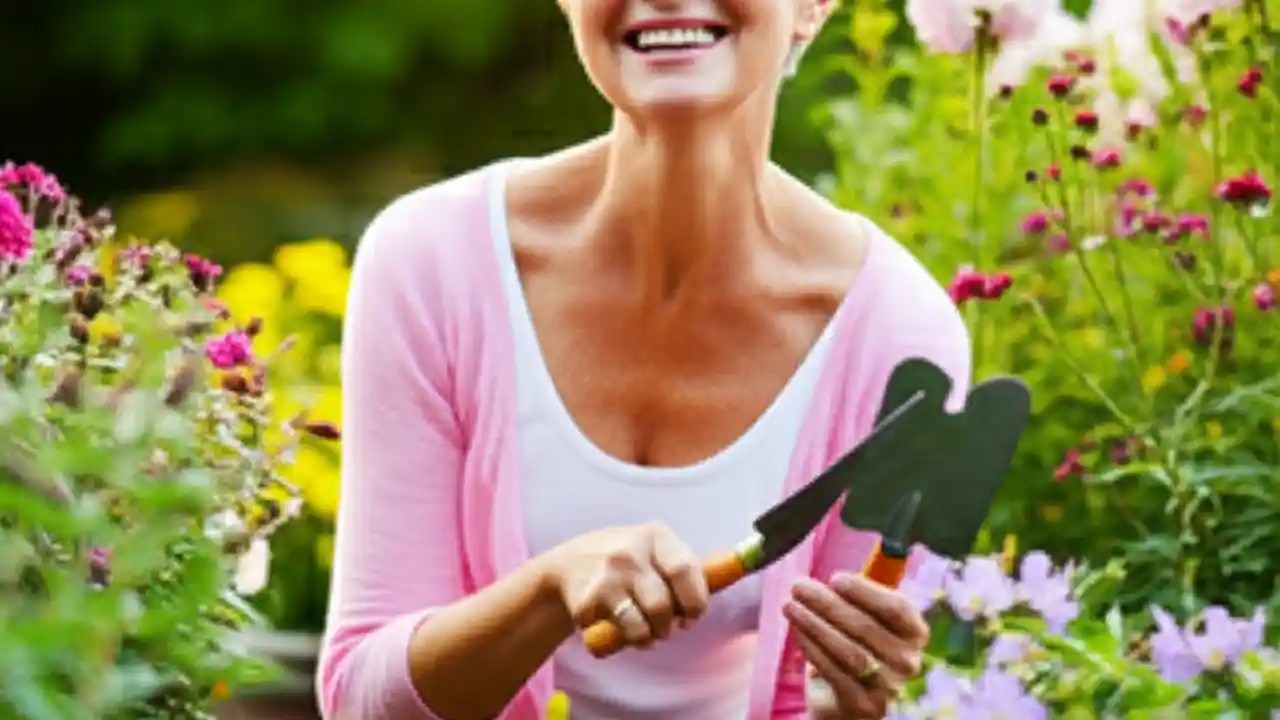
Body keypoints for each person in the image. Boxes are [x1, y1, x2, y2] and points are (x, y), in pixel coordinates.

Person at [316, 0, 971, 718]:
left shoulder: (898, 335)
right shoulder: (431, 264)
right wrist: (549, 590)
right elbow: (359, 700)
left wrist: (847, 709)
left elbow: (813, 696)